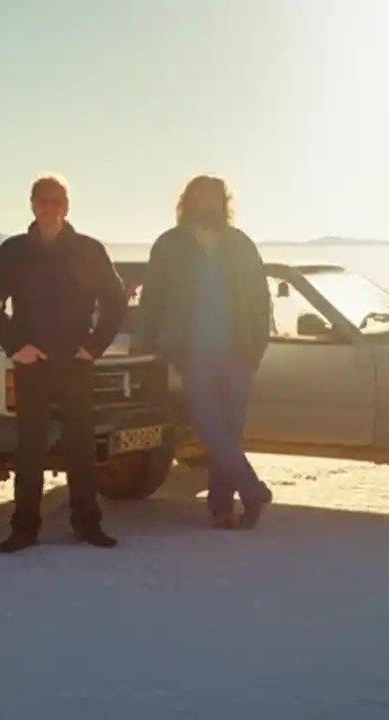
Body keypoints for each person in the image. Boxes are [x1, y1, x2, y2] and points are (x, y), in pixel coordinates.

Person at [0, 173, 128, 553]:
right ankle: (24, 528)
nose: (50, 207)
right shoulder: (13, 251)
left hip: (76, 362)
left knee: (80, 446)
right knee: (30, 448)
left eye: (57, 200)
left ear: (67, 205)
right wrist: (16, 346)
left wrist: (93, 346)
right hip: (33, 363)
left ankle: (87, 523)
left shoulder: (89, 250)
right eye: (43, 200)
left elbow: (115, 302)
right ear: (32, 204)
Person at [135, 174, 274, 529]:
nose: (206, 204)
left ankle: (222, 507)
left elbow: (261, 299)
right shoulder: (169, 245)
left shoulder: (240, 245)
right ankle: (251, 489)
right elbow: (151, 299)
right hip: (191, 352)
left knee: (229, 430)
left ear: (223, 203)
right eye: (200, 198)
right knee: (210, 426)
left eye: (213, 198)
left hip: (237, 353)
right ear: (188, 203)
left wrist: (255, 347)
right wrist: (146, 344)